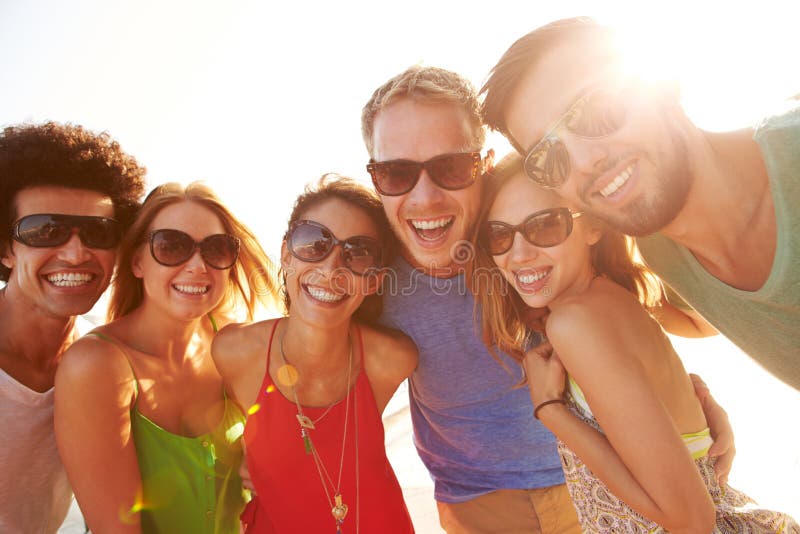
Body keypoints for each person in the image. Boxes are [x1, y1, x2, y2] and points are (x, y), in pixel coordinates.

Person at [361, 65, 738, 534]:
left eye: (451, 167)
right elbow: (327, 384)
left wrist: (689, 405)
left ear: (483, 164)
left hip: (598, 478)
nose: (426, 196)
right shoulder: (370, 280)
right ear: (375, 178)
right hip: (478, 503)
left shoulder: (529, 239)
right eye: (396, 172)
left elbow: (661, 322)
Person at [471, 152, 798, 532]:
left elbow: (692, 520)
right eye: (499, 234)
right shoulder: (609, 301)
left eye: (545, 226)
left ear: (593, 228)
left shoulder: (574, 323)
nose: (519, 254)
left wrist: (550, 409)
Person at [480, 16, 800, 390]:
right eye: (548, 156)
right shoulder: (663, 253)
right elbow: (696, 323)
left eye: (595, 111)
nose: (584, 162)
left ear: (662, 85)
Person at [54, 182, 277, 533]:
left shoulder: (236, 345)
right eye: (171, 246)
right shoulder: (97, 366)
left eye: (216, 250)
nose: (197, 266)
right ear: (137, 261)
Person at [212, 174, 417, 534]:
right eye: (313, 242)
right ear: (285, 254)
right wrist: (244, 456)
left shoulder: (393, 358)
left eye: (358, 253)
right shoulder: (234, 351)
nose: (331, 269)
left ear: (374, 280)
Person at [0, 122, 145, 533]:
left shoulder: (103, 369)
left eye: (100, 232)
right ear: (5, 248)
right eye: (46, 231)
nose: (76, 253)